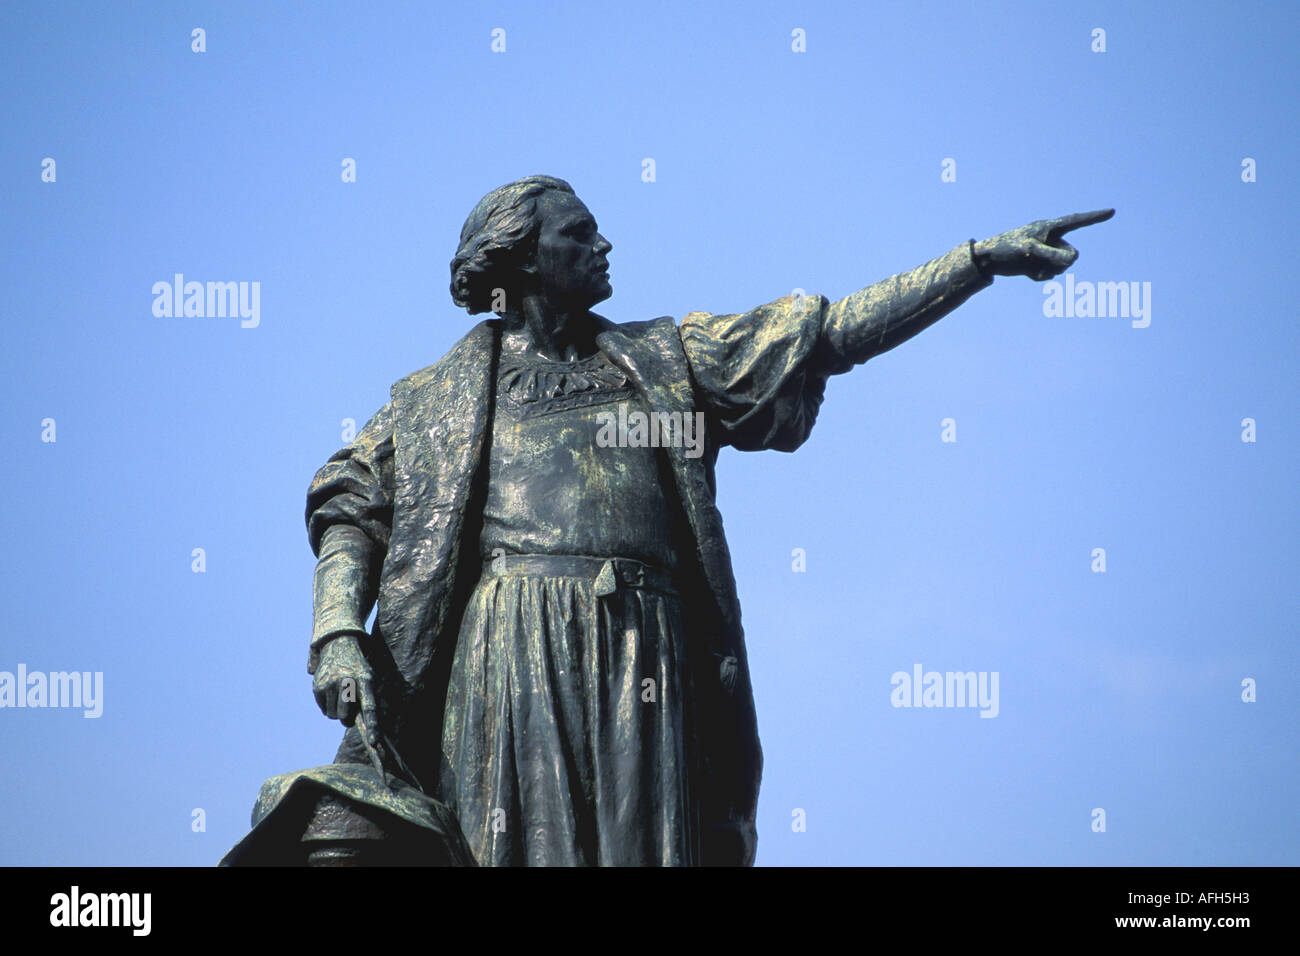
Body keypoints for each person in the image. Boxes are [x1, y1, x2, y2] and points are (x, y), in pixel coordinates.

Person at [292, 176, 1111, 866]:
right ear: (524, 258)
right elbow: (351, 504)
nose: (604, 245)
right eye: (580, 234)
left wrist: (975, 262)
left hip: (646, 646)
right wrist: (337, 631)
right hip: (510, 650)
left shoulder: (665, 360)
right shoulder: (437, 400)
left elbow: (822, 334)